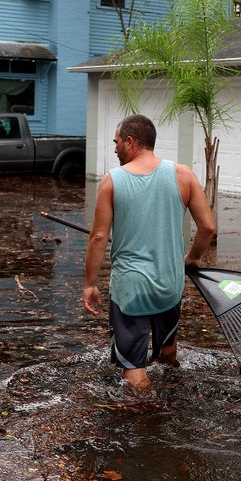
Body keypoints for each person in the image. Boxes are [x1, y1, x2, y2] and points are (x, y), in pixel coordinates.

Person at [82, 114, 217, 393]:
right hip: (170, 284)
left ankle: (149, 415)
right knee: (167, 353)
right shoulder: (184, 175)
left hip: (131, 290)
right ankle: (172, 398)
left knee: (133, 366)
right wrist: (192, 258)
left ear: (131, 142)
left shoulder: (112, 181)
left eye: (117, 142)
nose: (115, 148)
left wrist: (89, 284)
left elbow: (98, 237)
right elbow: (208, 227)